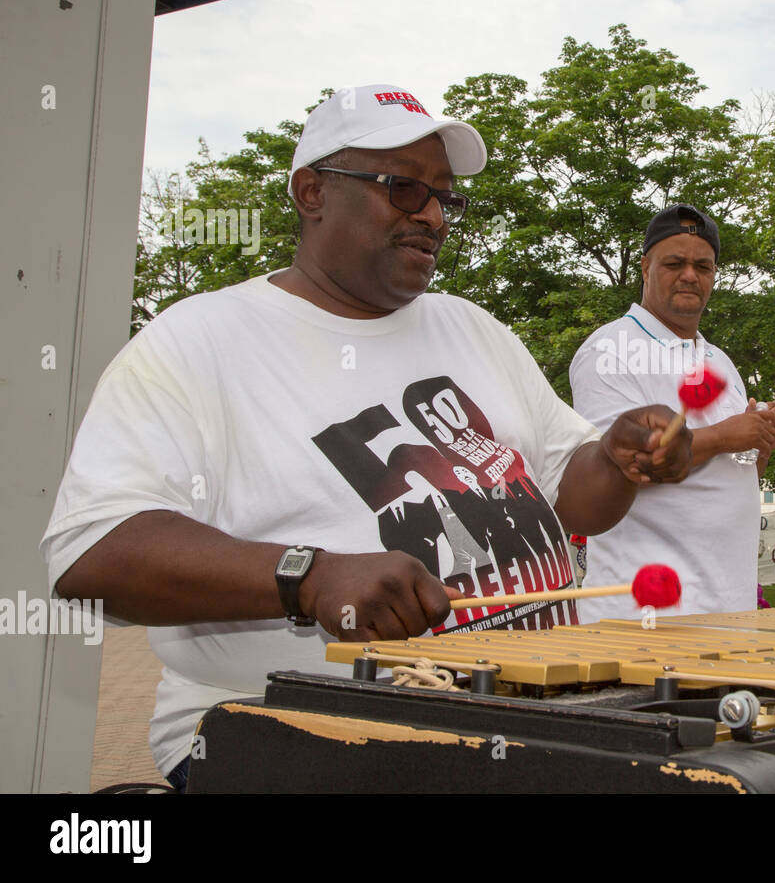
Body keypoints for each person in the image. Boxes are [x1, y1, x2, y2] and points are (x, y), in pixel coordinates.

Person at [39, 84, 693, 791]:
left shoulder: (470, 327)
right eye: (404, 189)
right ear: (312, 192)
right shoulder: (197, 343)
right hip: (298, 743)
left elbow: (573, 497)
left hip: (525, 732)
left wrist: (622, 457)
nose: (435, 216)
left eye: (446, 197)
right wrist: (308, 576)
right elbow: (91, 551)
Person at [569, 204, 775, 622]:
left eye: (703, 266)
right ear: (645, 267)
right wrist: (727, 435)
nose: (690, 274)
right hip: (644, 616)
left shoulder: (719, 361)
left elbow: (728, 479)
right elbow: (617, 469)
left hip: (729, 609)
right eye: (675, 262)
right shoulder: (610, 351)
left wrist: (759, 445)